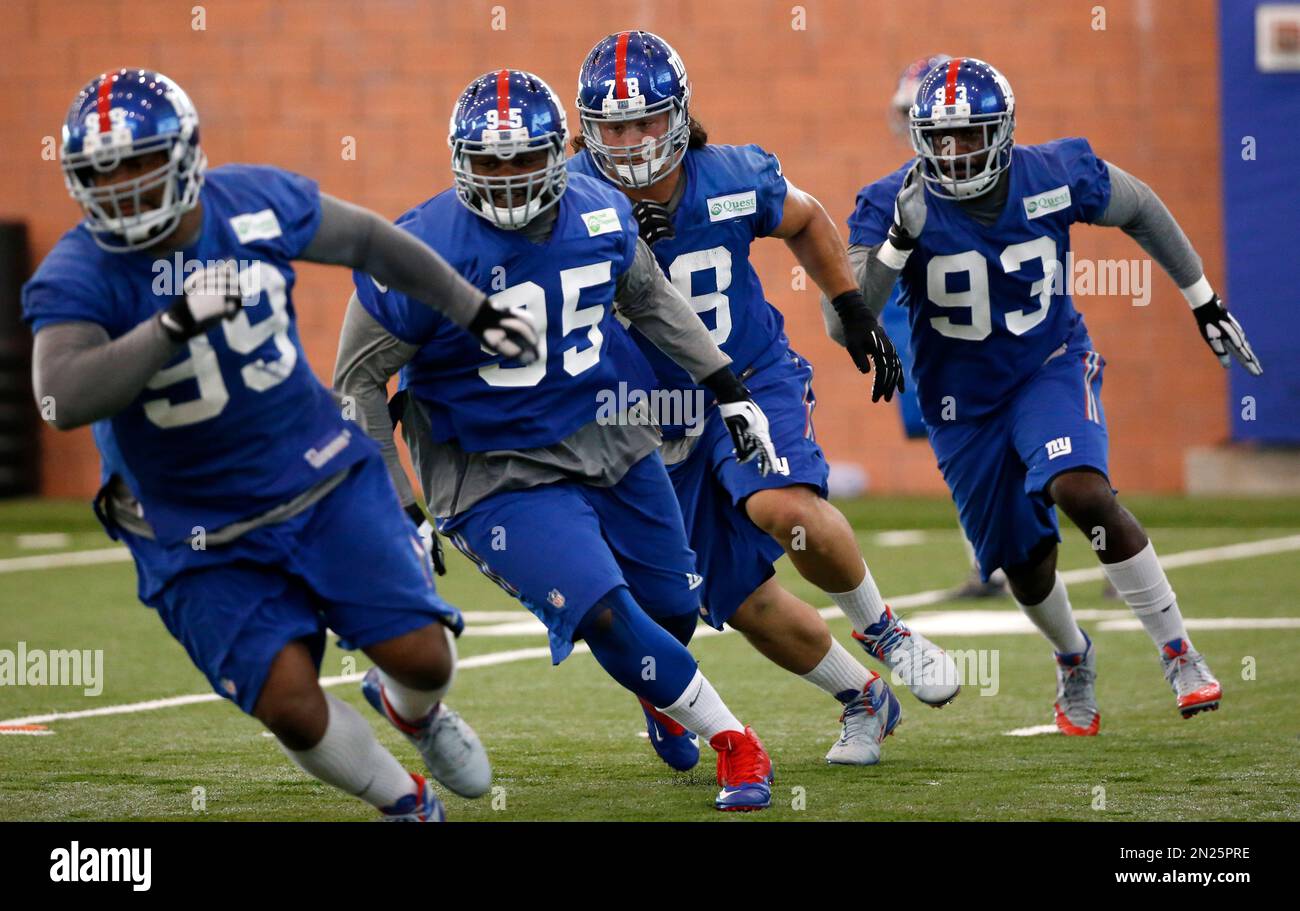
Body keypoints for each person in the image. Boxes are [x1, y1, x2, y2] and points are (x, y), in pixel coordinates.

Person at [23, 69, 543, 819]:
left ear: (185, 156)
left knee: (423, 657)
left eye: (140, 162)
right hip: (193, 525)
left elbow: (366, 239)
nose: (124, 186)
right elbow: (60, 397)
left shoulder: (253, 203)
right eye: (103, 171)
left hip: (317, 477)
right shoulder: (80, 270)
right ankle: (405, 801)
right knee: (291, 704)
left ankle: (415, 714)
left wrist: (470, 308)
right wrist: (171, 324)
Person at [335, 69, 783, 811]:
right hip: (493, 469)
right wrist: (399, 506)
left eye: (524, 159)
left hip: (606, 433)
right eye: (490, 162)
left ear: (559, 154)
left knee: (671, 607)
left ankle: (658, 691)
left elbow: (649, 300)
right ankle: (737, 741)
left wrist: (728, 389)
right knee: (603, 608)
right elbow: (356, 382)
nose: (508, 179)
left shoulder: (602, 207)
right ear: (459, 161)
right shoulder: (418, 248)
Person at [828, 57, 1261, 734]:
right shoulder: (890, 201)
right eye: (939, 137)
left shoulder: (1054, 174)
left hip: (1048, 364)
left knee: (1080, 488)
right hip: (961, 406)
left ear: (1001, 132)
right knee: (1023, 564)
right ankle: (1073, 656)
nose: (951, 151)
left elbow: (1140, 205)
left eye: (968, 135)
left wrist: (1201, 297)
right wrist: (895, 244)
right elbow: (842, 322)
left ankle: (1179, 650)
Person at [568, 31, 961, 770]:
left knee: (778, 505)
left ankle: (885, 629)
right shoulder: (571, 196)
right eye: (613, 125)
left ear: (679, 115)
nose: (630, 141)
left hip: (748, 375)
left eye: (646, 121)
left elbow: (808, 218)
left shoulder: (731, 176)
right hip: (651, 413)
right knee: (739, 599)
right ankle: (863, 696)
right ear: (587, 129)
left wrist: (851, 308)